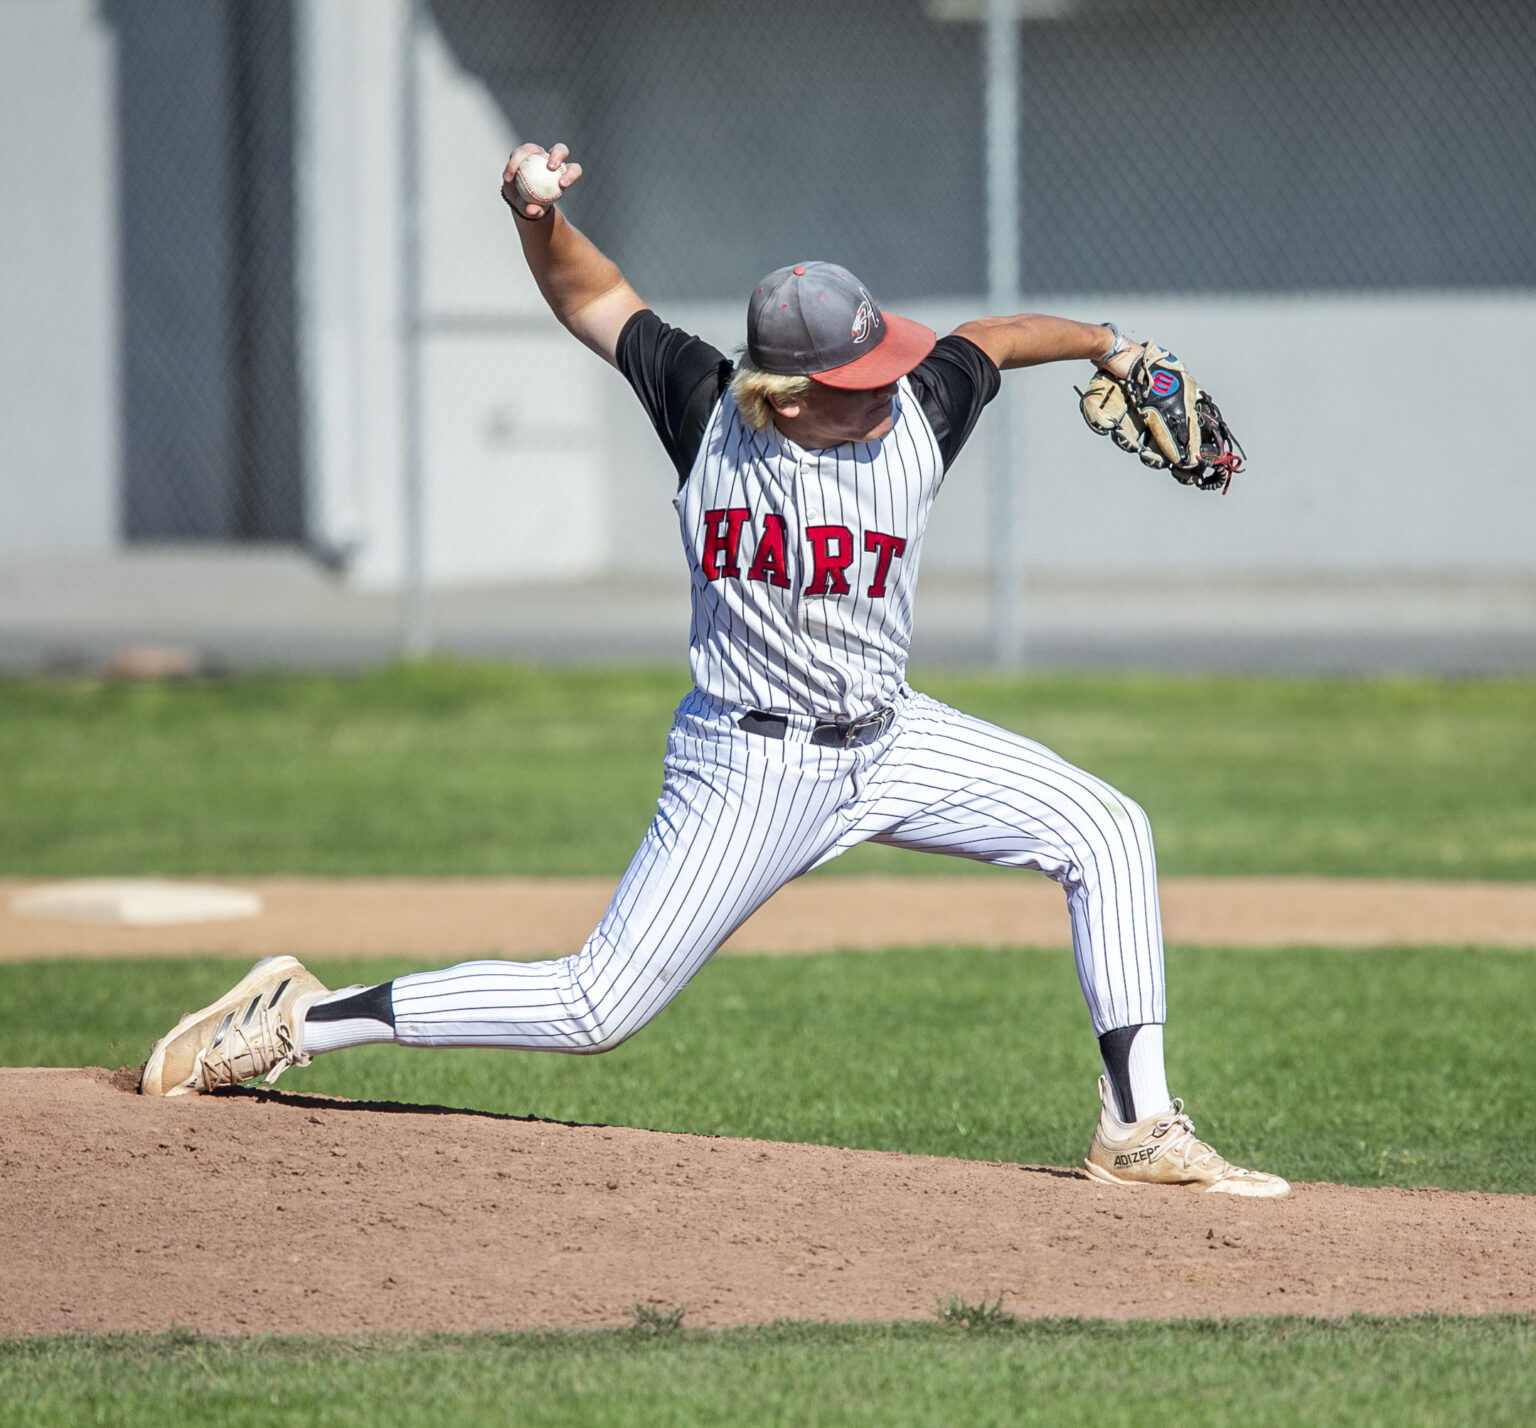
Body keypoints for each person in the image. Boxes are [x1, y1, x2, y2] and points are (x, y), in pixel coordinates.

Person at [141, 143, 1288, 1198]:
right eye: (861, 375)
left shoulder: (921, 412)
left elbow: (987, 338)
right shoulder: (705, 410)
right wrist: (536, 215)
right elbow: (595, 298)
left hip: (891, 741)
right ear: (786, 391)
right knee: (595, 1007)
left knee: (1106, 829)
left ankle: (1136, 1127)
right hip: (745, 769)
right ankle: (300, 1018)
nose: (891, 383)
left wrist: (1109, 345)